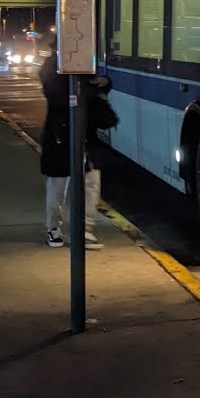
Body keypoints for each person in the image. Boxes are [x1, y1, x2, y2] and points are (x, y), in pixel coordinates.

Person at [39, 40, 117, 249]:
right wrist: (92, 89)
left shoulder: (82, 68)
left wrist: (102, 83)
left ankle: (84, 229)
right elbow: (59, 98)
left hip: (84, 136)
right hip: (61, 135)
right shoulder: (52, 67)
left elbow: (86, 91)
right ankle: (54, 227)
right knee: (59, 185)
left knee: (91, 184)